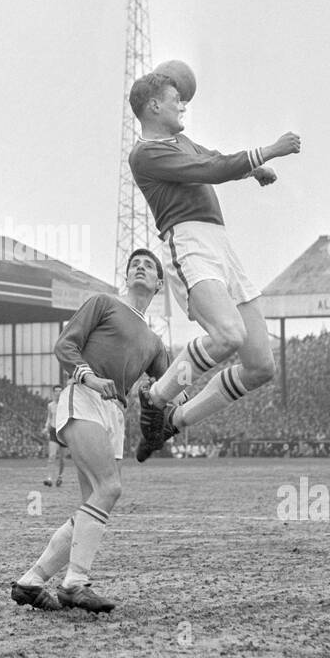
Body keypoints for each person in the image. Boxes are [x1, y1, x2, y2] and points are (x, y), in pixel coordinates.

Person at [127, 61, 301, 460]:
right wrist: (268, 150)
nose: (183, 105)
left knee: (260, 367)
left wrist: (252, 170)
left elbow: (217, 159)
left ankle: (174, 421)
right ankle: (155, 397)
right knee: (227, 335)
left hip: (222, 245)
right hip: (190, 244)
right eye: (176, 100)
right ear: (153, 106)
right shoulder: (146, 153)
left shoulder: (182, 144)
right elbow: (211, 170)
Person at [11, 248, 169, 614]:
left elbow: (170, 383)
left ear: (159, 284)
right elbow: (64, 345)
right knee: (110, 488)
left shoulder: (155, 342)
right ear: (126, 277)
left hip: (114, 414)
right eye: (135, 265)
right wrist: (92, 378)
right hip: (84, 396)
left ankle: (32, 581)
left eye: (149, 266)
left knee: (91, 505)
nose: (140, 267)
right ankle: (75, 582)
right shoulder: (103, 303)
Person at [41, 388, 66, 487]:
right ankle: (49, 478)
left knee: (62, 459)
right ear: (53, 393)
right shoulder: (50, 405)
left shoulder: (65, 405)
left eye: (60, 391)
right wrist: (46, 427)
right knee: (52, 456)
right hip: (54, 431)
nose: (58, 393)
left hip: (63, 432)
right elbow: (49, 418)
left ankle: (60, 476)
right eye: (56, 391)